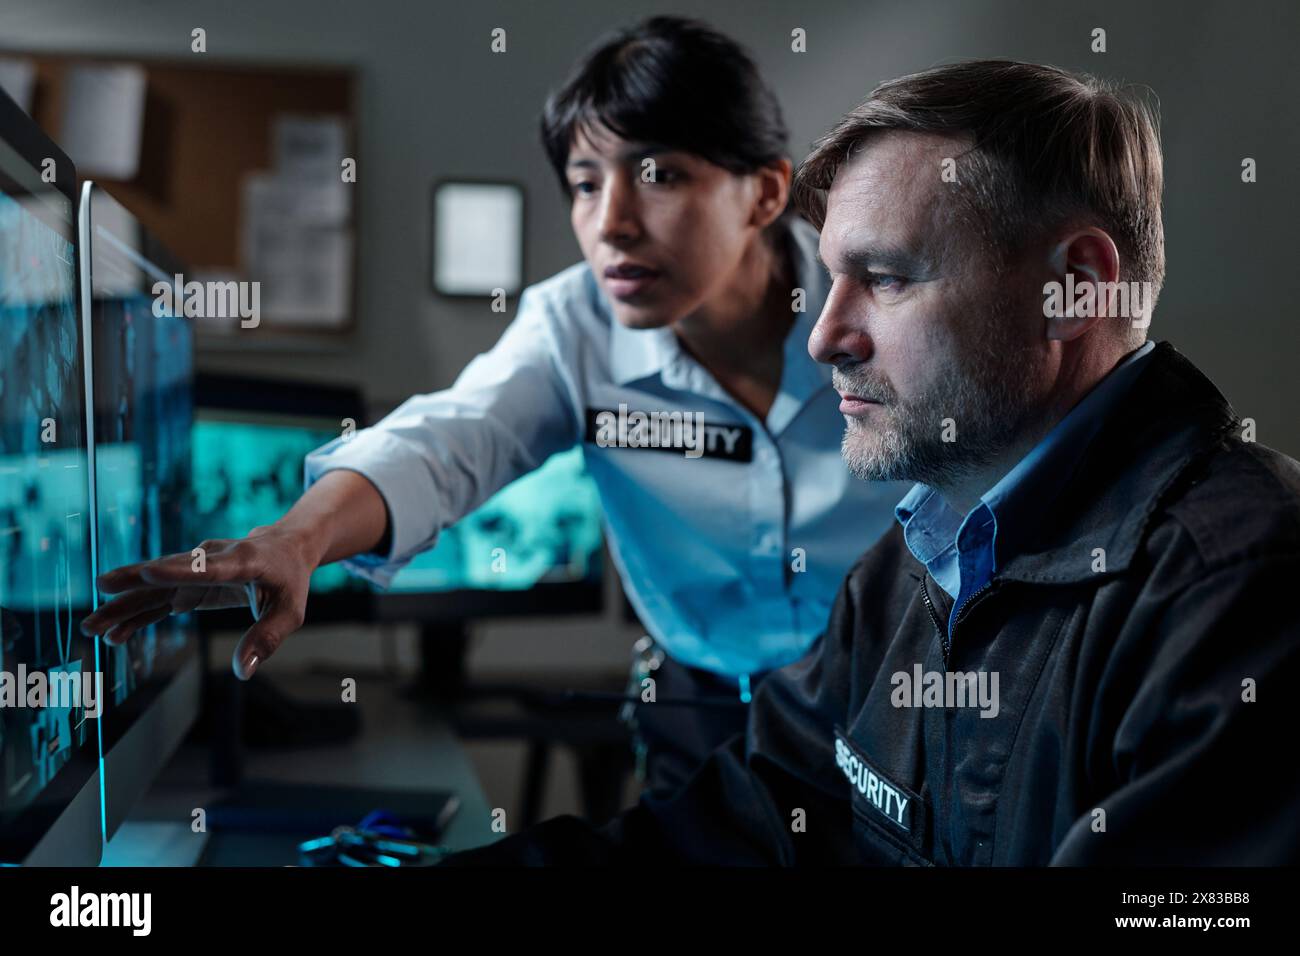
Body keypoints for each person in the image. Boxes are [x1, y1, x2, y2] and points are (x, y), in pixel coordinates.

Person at [441, 60, 1300, 865]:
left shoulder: (1239, 588)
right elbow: (750, 824)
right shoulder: (909, 565)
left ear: (1075, 288)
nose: (824, 338)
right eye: (831, 278)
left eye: (884, 278)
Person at [79, 17, 905, 800]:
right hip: (703, 714)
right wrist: (300, 540)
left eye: (658, 177)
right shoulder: (573, 326)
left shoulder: (889, 315)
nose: (609, 223)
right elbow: (448, 440)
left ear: (763, 193)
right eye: (584, 185)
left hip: (890, 712)